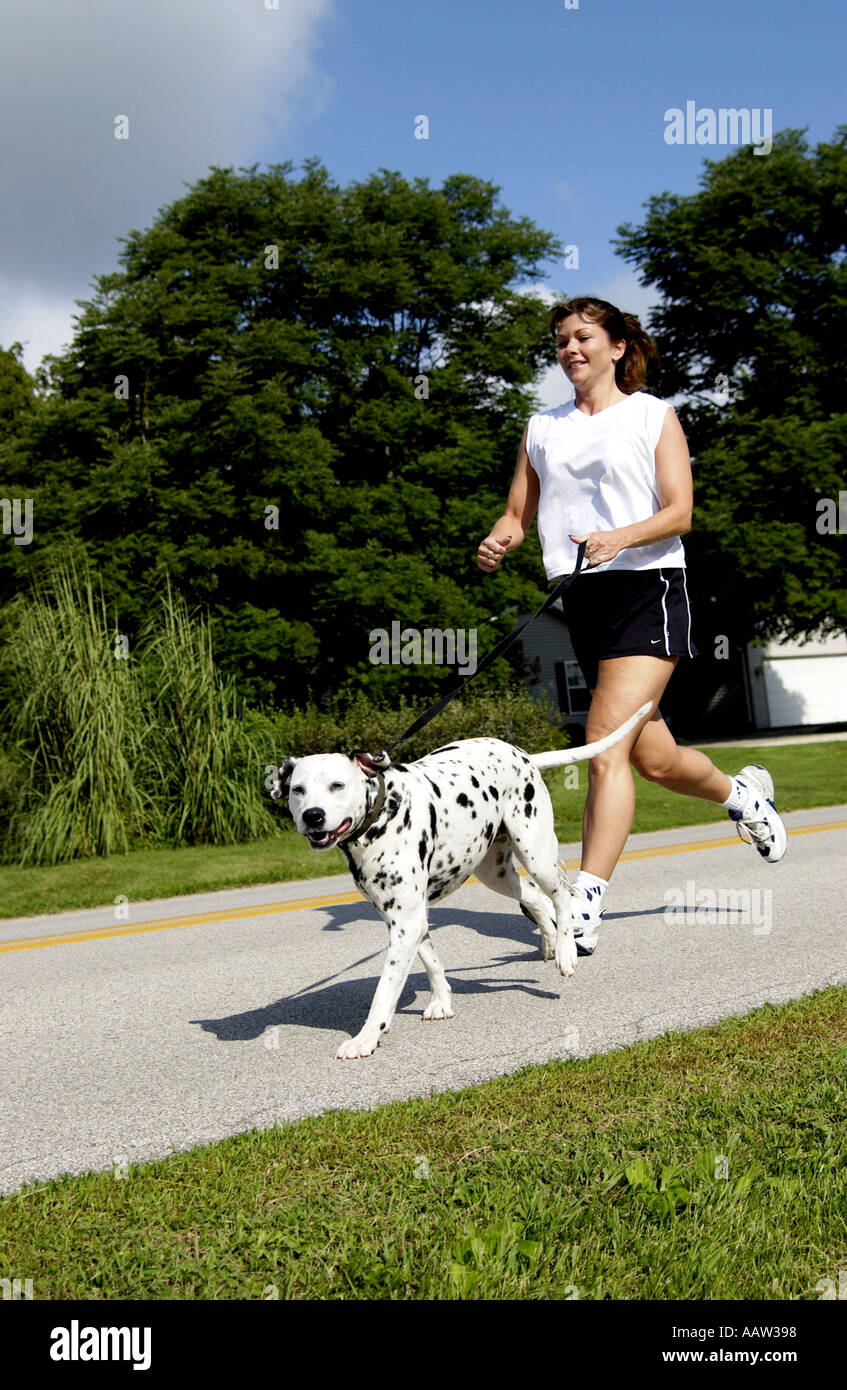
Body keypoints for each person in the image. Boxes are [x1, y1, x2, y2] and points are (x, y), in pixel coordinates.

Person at [477, 296, 786, 956]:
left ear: (617, 347)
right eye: (561, 339)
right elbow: (517, 513)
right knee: (654, 759)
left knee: (603, 748)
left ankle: (581, 903)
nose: (569, 348)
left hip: (649, 589)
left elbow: (679, 512)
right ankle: (742, 796)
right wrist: (500, 539)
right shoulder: (541, 428)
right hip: (582, 599)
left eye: (583, 336)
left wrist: (619, 537)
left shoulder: (651, 416)